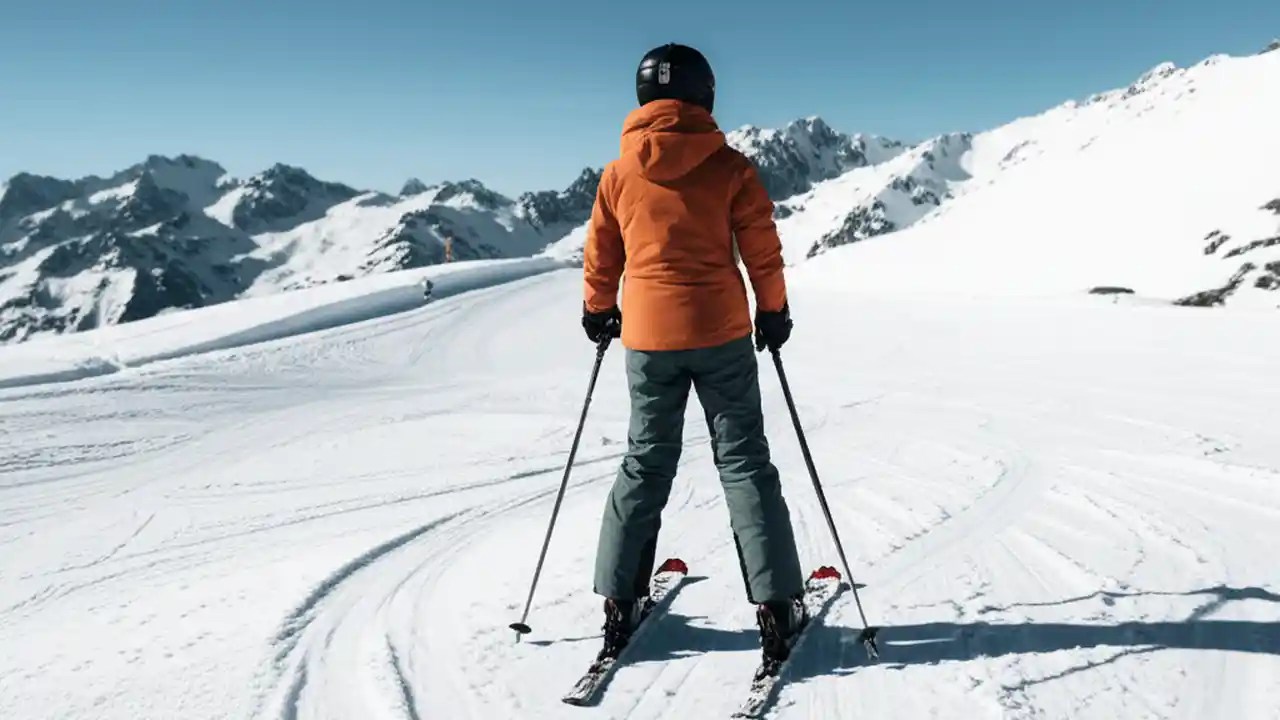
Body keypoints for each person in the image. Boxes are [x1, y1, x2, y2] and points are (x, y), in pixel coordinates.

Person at [581, 42, 807, 667]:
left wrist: (599, 311)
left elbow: (602, 256)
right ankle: (778, 605)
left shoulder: (617, 174)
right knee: (743, 464)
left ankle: (620, 604)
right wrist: (774, 311)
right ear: (706, 95)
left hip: (649, 340)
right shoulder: (730, 166)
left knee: (645, 463)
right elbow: (762, 247)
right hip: (722, 333)